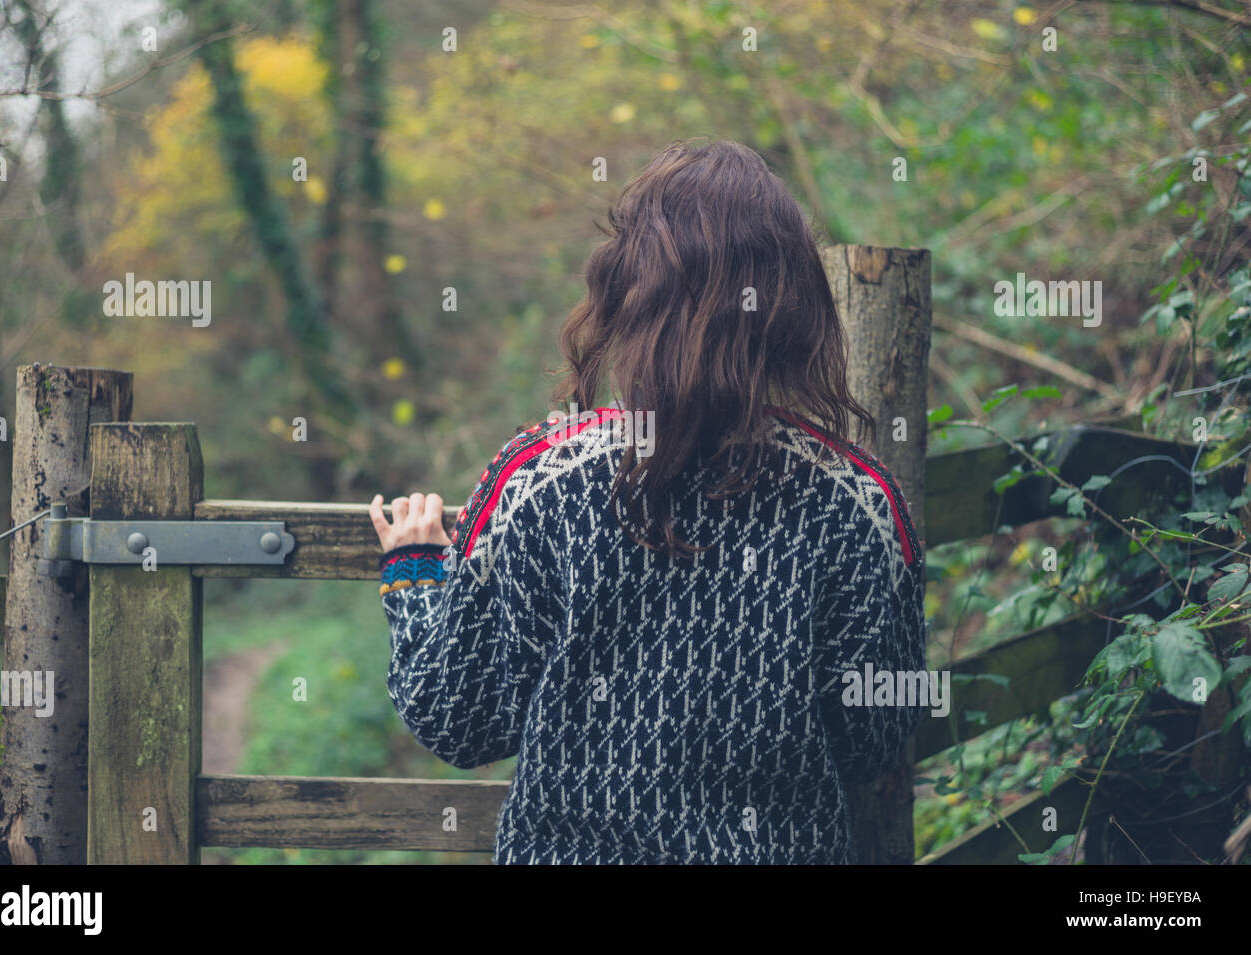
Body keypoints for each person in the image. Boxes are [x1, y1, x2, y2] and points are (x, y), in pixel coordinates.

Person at [368, 138, 928, 864]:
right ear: (790, 302)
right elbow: (874, 737)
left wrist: (415, 572)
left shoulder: (540, 482)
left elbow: (459, 715)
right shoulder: (859, 503)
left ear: (626, 288)